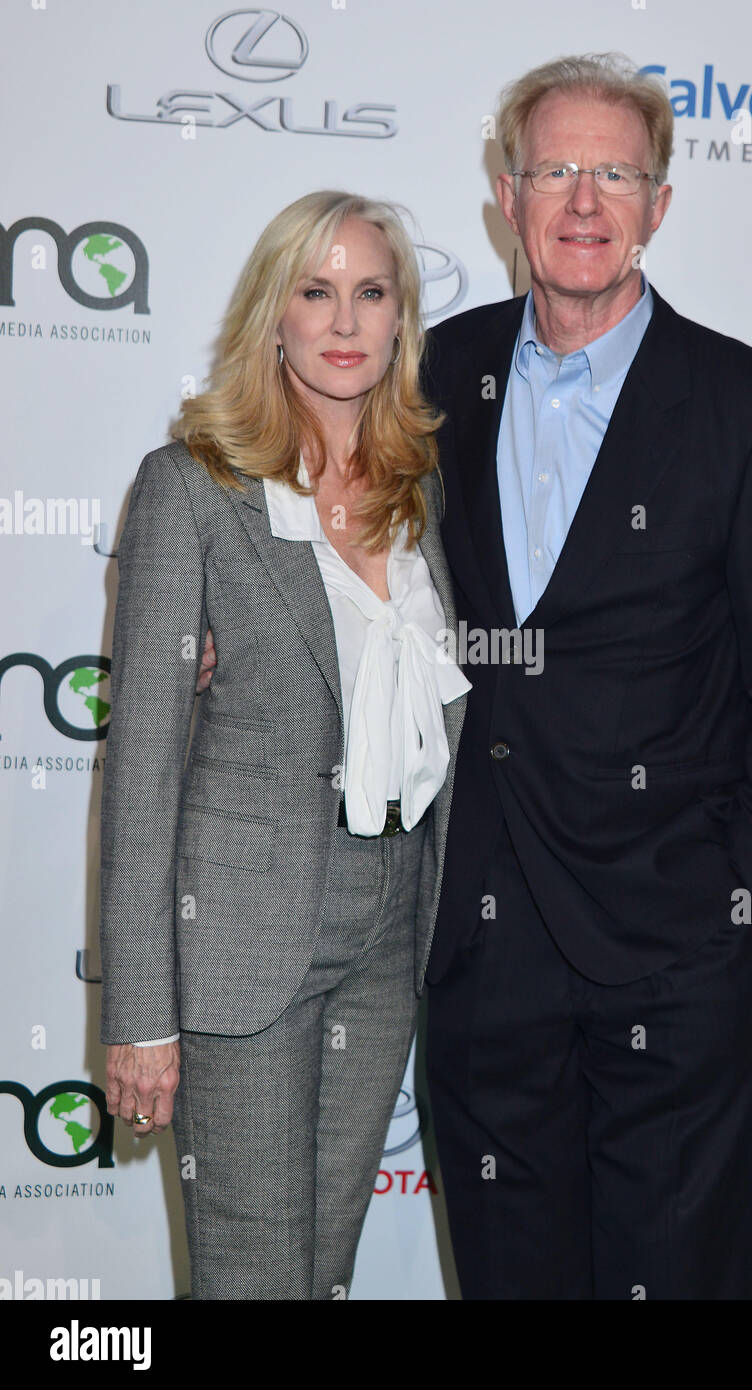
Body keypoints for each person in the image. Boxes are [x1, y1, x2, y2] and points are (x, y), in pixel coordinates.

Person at [419, 53, 752, 1299]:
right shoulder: (439, 377)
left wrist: (737, 892)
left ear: (659, 206)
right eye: (555, 167)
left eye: (615, 172)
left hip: (671, 950)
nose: (582, 200)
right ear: (507, 195)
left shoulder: (744, 403)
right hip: (487, 950)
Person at [99, 190, 469, 1300]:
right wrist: (139, 1016)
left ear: (401, 319)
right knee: (253, 1275)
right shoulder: (192, 488)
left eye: (370, 292)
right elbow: (142, 775)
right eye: (316, 291)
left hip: (393, 925)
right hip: (245, 938)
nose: (344, 319)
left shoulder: (425, 489)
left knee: (323, 1269)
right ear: (274, 315)